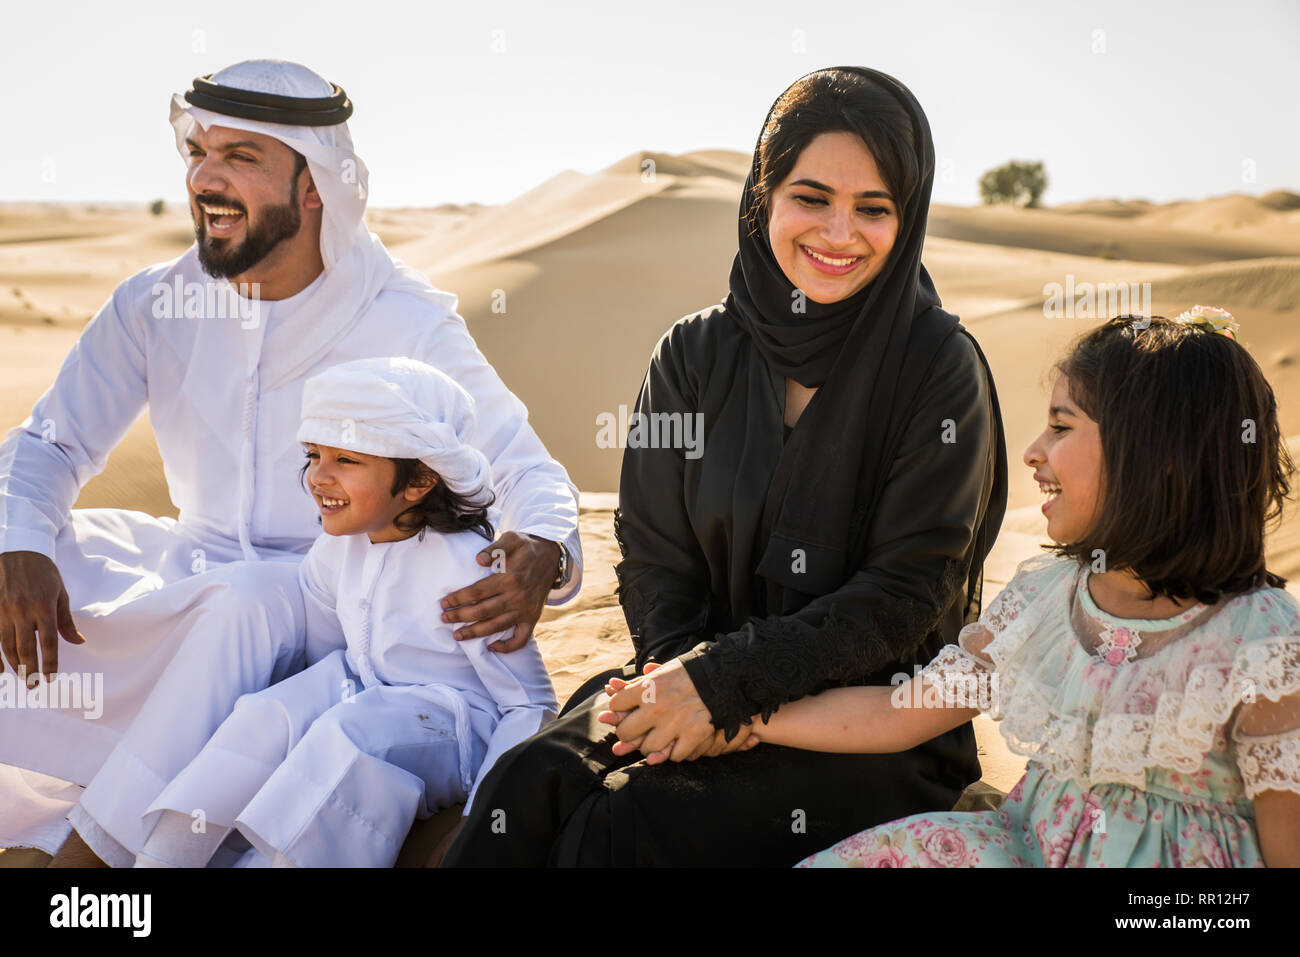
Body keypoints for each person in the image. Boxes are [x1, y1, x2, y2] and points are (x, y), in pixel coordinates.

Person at [0, 60, 581, 863]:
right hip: (187, 572)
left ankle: (94, 861)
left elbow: (526, 469)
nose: (205, 174)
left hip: (325, 599)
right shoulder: (156, 302)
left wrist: (543, 548)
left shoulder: (403, 319)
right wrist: (21, 538)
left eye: (242, 156)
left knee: (243, 605)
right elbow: (48, 443)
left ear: (317, 188)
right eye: (199, 151)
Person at [441, 66, 1009, 867]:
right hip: (684, 686)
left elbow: (901, 600)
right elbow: (653, 557)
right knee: (527, 784)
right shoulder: (695, 355)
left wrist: (726, 689)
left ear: (905, 219)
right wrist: (682, 687)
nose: (840, 232)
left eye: (874, 208)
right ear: (763, 198)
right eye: (812, 198)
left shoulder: (938, 368)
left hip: (866, 732)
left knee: (625, 830)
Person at [762, 309, 1300, 868]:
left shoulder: (1264, 645)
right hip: (1024, 850)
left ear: (1161, 453)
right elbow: (900, 711)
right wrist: (743, 718)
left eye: (1062, 427)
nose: (1032, 451)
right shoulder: (1044, 600)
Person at [126, 357, 557, 868]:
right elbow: (325, 645)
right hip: (365, 692)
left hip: (455, 727)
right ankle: (161, 861)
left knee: (349, 731)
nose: (317, 477)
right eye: (313, 454)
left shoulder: (471, 571)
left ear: (419, 480)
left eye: (347, 460)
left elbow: (530, 706)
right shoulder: (339, 547)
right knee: (267, 713)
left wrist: (488, 810)